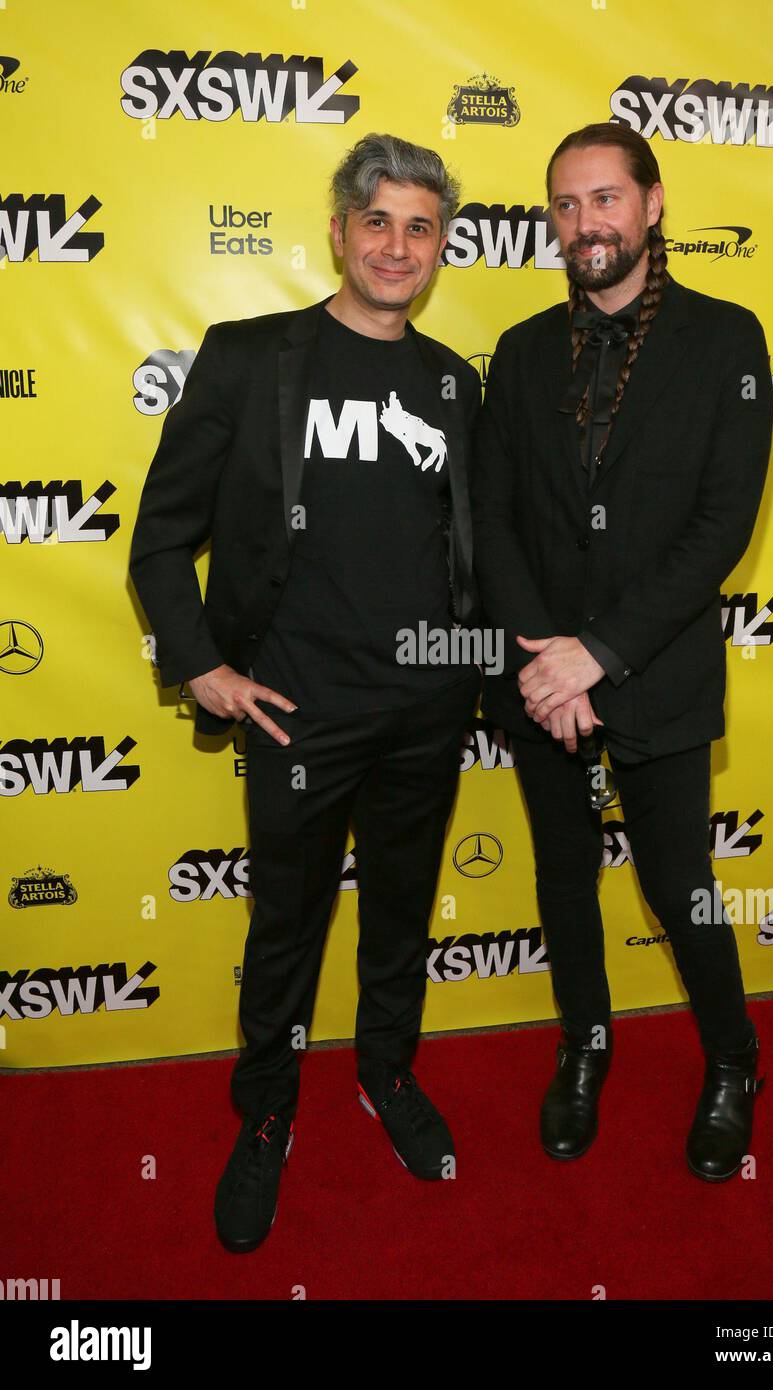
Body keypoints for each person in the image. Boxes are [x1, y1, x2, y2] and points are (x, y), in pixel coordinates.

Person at [129, 132, 483, 1252]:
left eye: (419, 226)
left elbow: (469, 544)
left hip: (426, 712)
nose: (396, 244)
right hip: (294, 711)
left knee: (398, 917)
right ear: (338, 231)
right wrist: (204, 667)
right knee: (286, 925)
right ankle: (268, 1104)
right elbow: (156, 542)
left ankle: (387, 1072)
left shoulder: (451, 382)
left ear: (440, 247)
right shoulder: (248, 359)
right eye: (376, 220)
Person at [471, 122, 773, 1181]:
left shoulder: (728, 339)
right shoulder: (516, 353)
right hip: (540, 681)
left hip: (656, 670)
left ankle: (735, 1060)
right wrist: (548, 663)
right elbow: (492, 520)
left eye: (605, 198)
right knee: (564, 880)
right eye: (566, 203)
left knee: (680, 884)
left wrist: (596, 651)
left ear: (650, 204)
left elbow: (721, 528)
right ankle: (585, 1044)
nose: (586, 222)